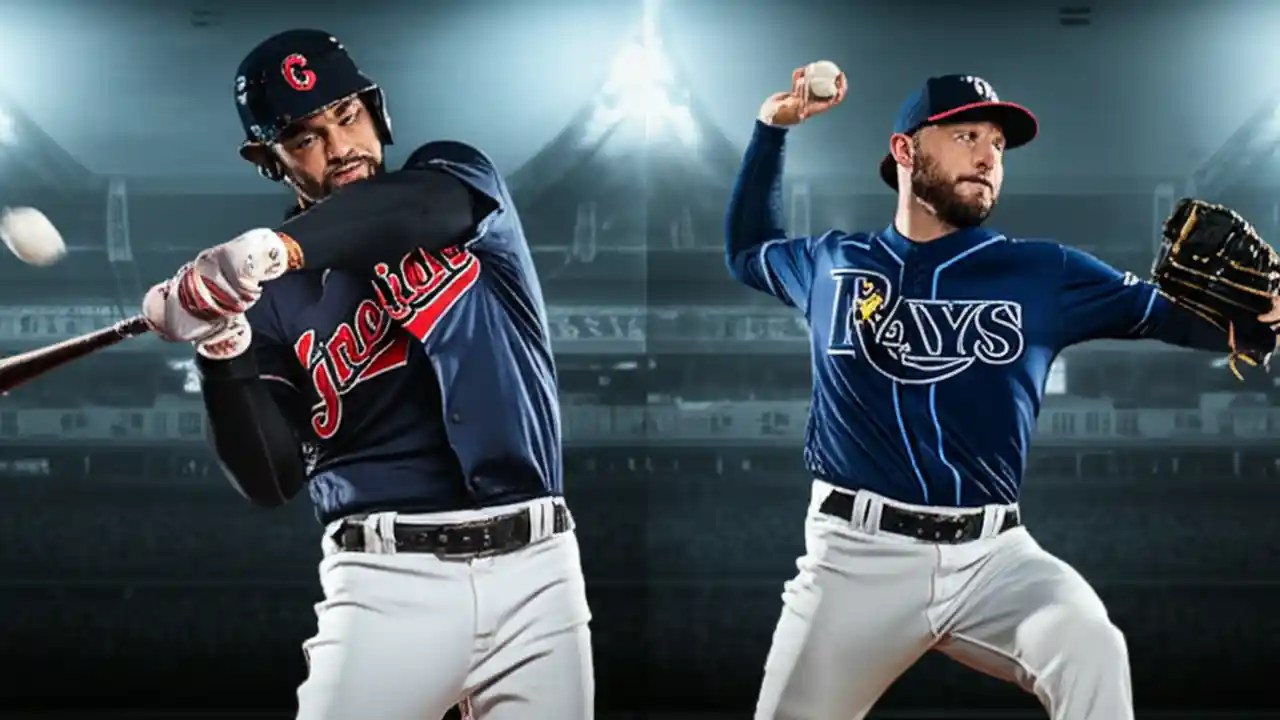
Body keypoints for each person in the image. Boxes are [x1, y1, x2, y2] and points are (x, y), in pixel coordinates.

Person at [725, 68, 1280, 720]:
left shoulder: (1045, 273)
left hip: (994, 558)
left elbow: (1203, 323)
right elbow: (749, 249)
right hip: (854, 560)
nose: (989, 156)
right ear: (905, 151)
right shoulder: (832, 263)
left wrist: (1266, 310)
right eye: (966, 136)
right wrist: (772, 128)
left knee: (1091, 645)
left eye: (997, 145)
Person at [141, 29, 592, 720]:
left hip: (538, 570)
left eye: (348, 115)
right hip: (385, 583)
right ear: (268, 159)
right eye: (304, 136)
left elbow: (414, 212)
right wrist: (223, 348)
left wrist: (272, 248)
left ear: (378, 112)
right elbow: (271, 478)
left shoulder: (452, 180)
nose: (340, 146)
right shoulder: (271, 305)